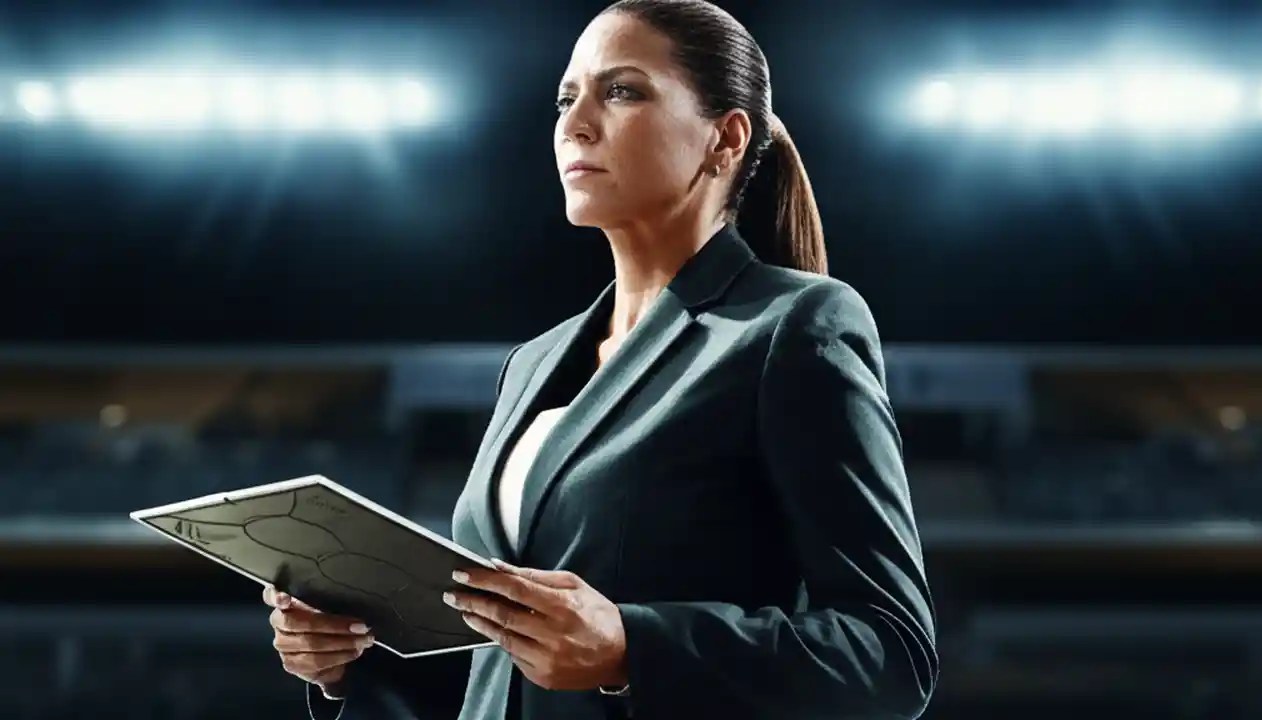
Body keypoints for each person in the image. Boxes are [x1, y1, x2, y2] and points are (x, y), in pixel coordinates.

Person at [266, 0, 938, 717]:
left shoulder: (793, 327)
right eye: (566, 97)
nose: (574, 123)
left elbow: (890, 654)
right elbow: (508, 676)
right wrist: (354, 660)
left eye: (621, 91)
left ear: (726, 138)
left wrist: (631, 647)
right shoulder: (532, 364)